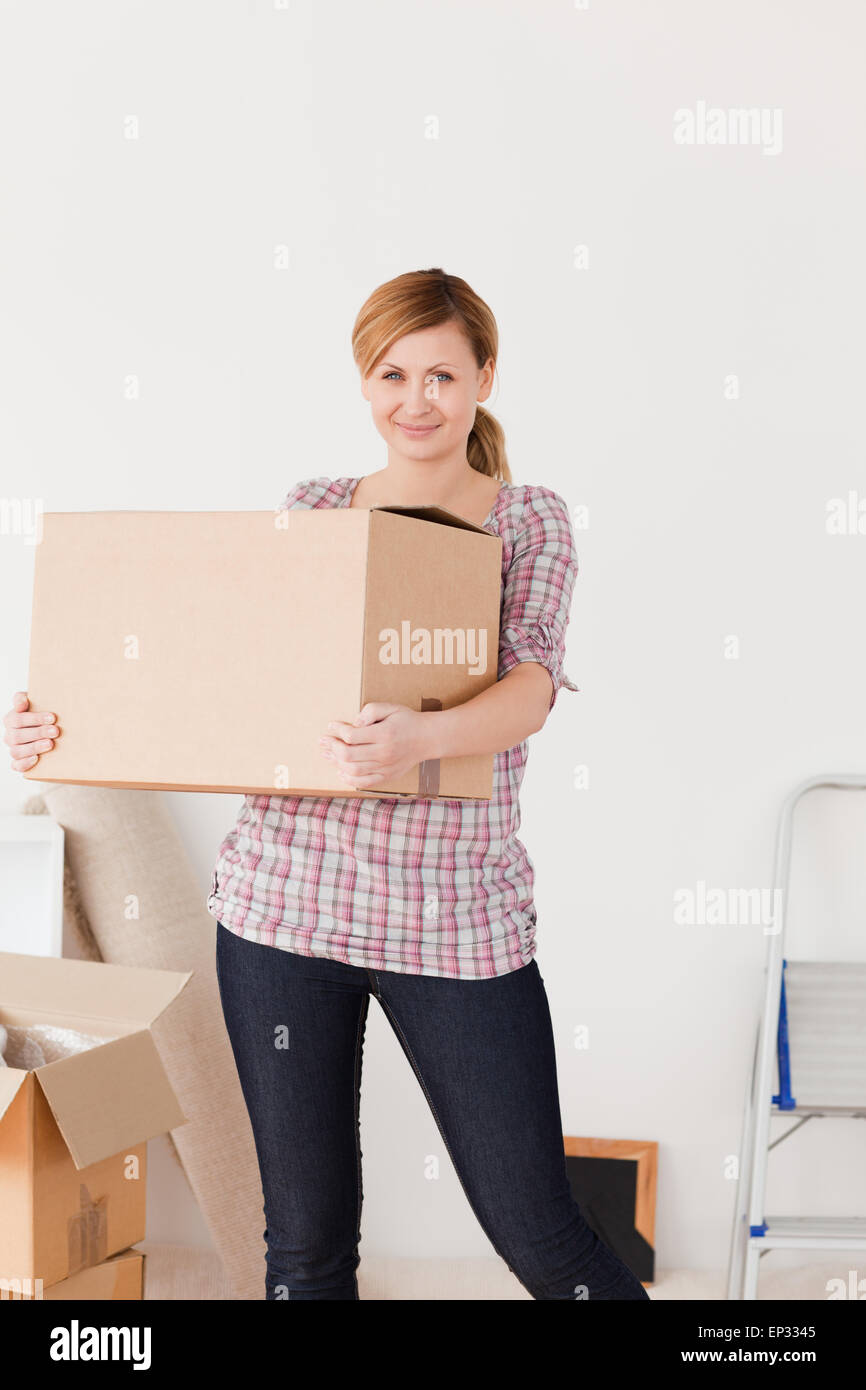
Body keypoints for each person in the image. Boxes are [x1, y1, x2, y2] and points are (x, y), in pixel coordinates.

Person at [4, 268, 650, 1303]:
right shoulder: (313, 509)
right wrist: (65, 724)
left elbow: (530, 688)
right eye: (391, 373)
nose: (416, 398)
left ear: (484, 374)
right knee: (301, 1249)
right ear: (363, 383)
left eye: (441, 372)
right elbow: (225, 680)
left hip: (452, 920)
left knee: (541, 1231)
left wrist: (420, 739)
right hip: (284, 916)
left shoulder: (526, 519)